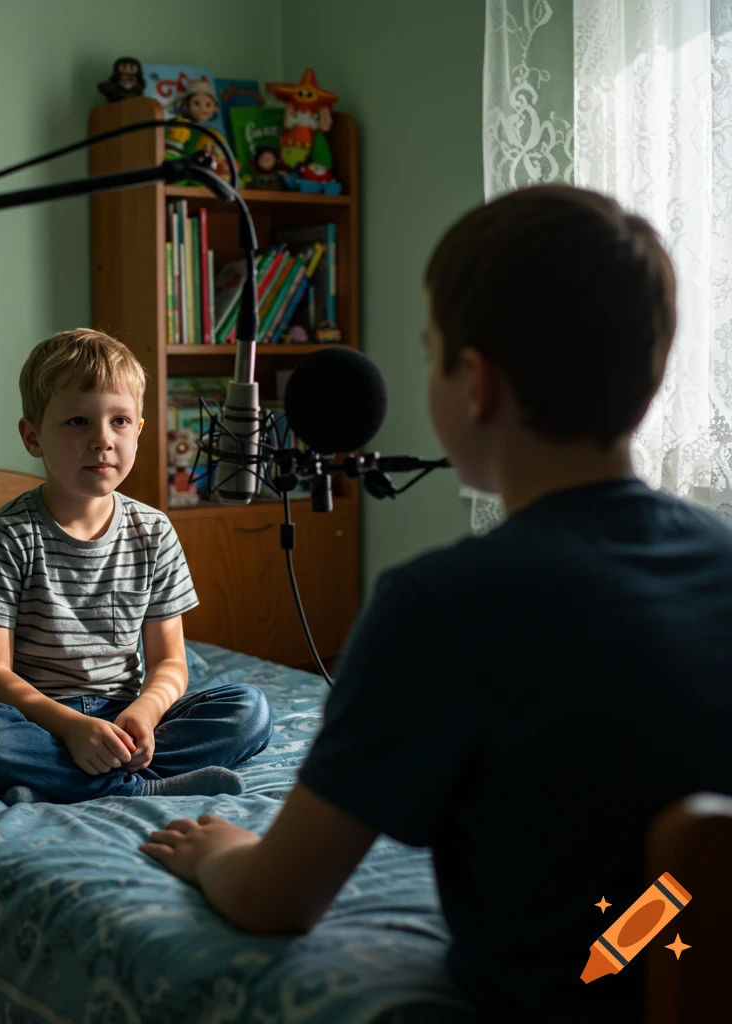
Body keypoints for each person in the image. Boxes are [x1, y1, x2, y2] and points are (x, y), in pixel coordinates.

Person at [139, 186, 732, 1023]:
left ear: (475, 382)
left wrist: (220, 853)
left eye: (430, 354)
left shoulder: (440, 605)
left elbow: (280, 899)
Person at [0, 329, 273, 804]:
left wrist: (147, 712)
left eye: (119, 421)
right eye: (77, 421)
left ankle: (64, 781)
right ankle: (137, 786)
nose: (101, 440)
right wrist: (72, 728)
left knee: (249, 709)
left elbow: (170, 661)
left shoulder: (153, 532)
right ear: (33, 437)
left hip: (125, 716)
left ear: (138, 430)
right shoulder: (6, 534)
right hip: (38, 721)